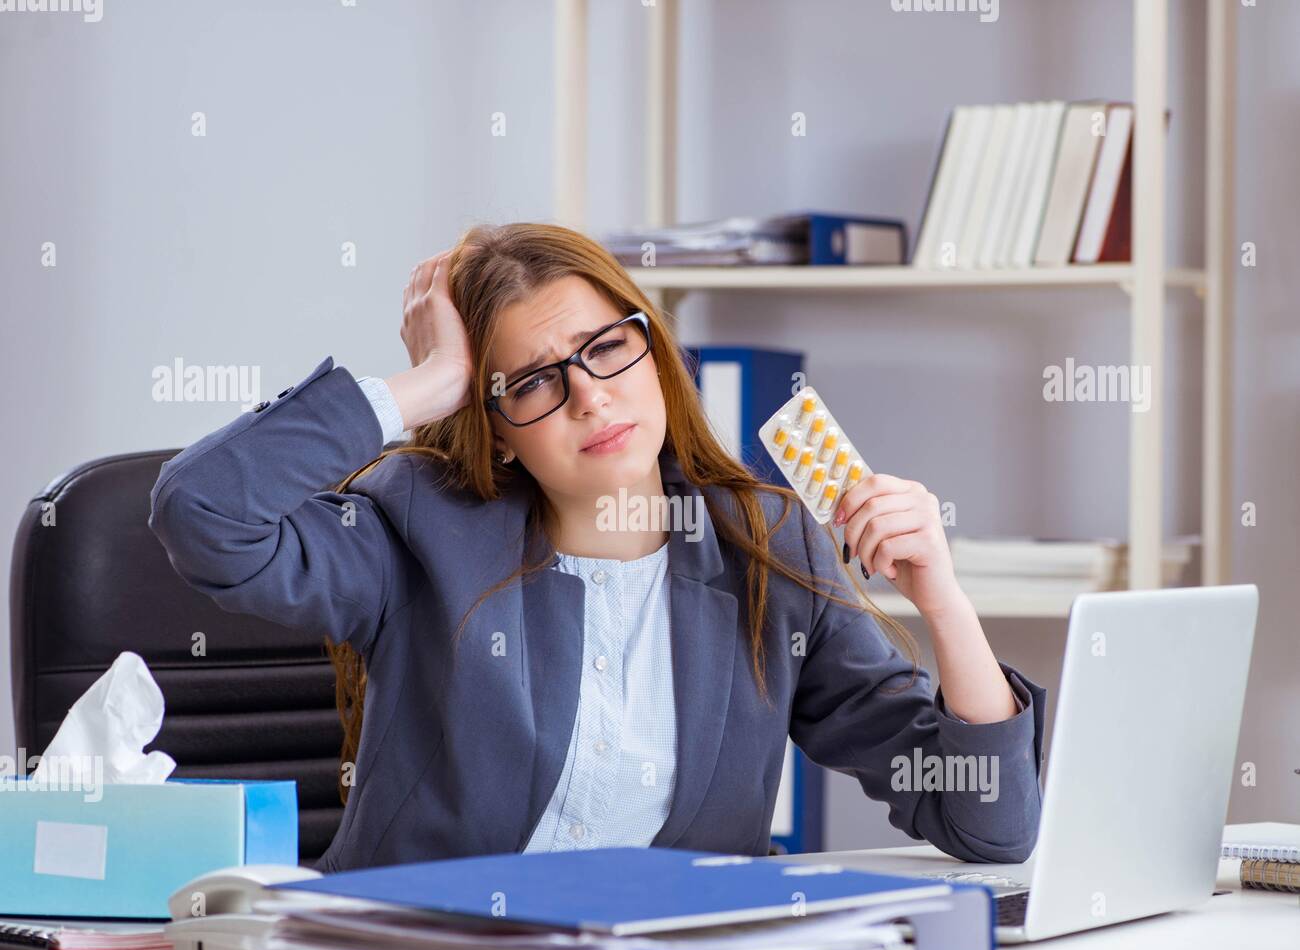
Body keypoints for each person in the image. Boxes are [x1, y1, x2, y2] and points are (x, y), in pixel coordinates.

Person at [148, 222, 1046, 873]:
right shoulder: (416, 527)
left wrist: (942, 599)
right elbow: (202, 513)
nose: (589, 398)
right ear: (494, 429)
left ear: (653, 354)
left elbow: (990, 827)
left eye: (606, 349)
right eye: (535, 381)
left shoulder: (764, 544)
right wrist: (430, 384)